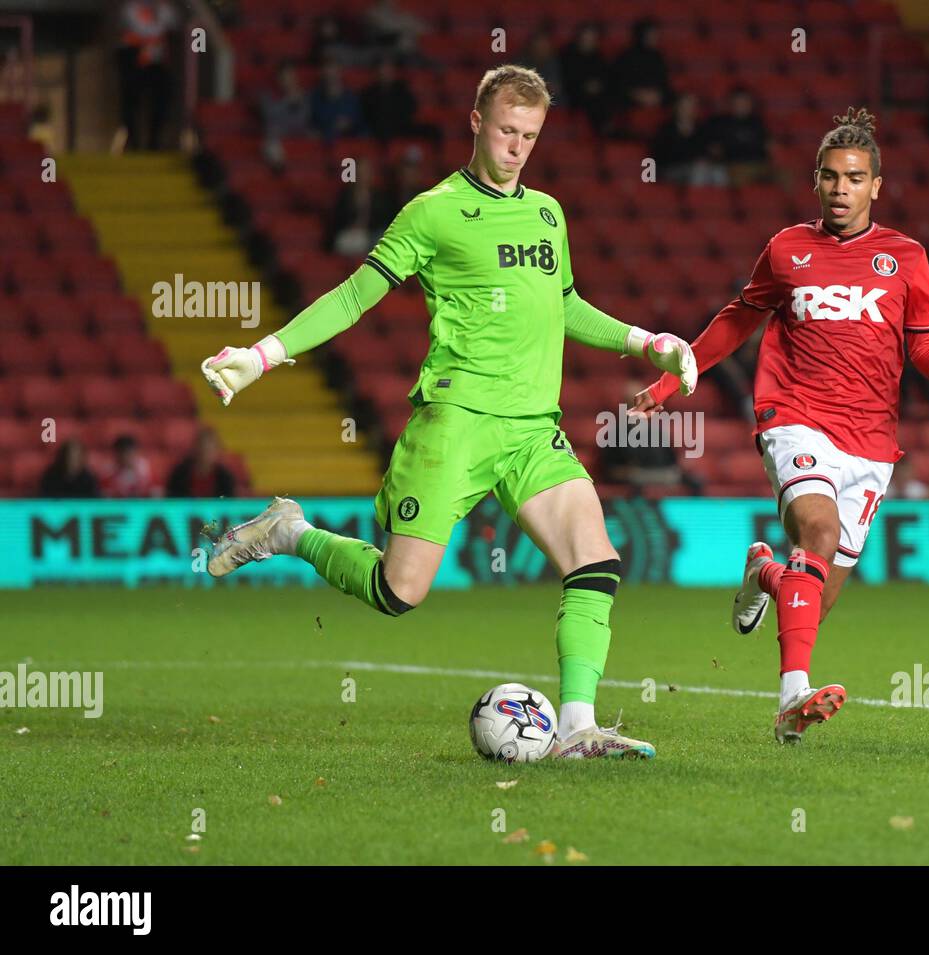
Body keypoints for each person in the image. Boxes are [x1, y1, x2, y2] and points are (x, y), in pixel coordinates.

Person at [198, 66, 699, 761]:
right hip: (456, 422)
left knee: (596, 561)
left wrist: (650, 341)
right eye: (505, 130)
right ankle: (291, 531)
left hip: (530, 428)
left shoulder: (548, 212)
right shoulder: (433, 210)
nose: (517, 146)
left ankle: (577, 727)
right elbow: (352, 296)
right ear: (476, 121)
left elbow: (563, 305)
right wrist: (264, 354)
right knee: (398, 590)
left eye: (529, 135)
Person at [634, 108, 929, 744]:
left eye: (854, 178)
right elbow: (738, 320)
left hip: (873, 441)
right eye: (830, 177)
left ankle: (763, 571)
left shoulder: (905, 257)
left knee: (812, 598)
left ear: (877, 185)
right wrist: (672, 379)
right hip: (794, 417)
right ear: (815, 183)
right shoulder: (787, 249)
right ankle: (792, 696)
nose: (841, 189)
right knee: (817, 531)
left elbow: (925, 343)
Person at [113, 0, 179, 152]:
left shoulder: (166, 9)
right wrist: (150, 41)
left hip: (158, 63)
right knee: (131, 102)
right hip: (132, 60)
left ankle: (154, 141)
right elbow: (130, 35)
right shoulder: (128, 8)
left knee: (162, 100)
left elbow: (173, 30)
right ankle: (133, 141)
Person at [652, 93, 726, 186]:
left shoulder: (701, 129)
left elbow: (708, 151)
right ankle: (695, 199)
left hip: (698, 167)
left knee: (718, 170)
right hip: (671, 170)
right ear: (676, 108)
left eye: (690, 107)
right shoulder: (667, 129)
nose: (687, 110)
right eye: (684, 106)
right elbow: (661, 156)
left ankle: (719, 199)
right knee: (699, 169)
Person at [329, 157, 398, 256]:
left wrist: (367, 228)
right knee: (343, 242)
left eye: (366, 172)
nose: (363, 175)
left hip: (371, 233)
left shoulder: (379, 196)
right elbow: (338, 219)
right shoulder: (346, 195)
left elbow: (383, 219)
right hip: (350, 233)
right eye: (360, 172)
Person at [704, 86, 772, 186]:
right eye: (739, 101)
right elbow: (715, 149)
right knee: (739, 177)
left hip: (759, 164)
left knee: (785, 175)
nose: (743, 104)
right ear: (731, 103)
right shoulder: (720, 123)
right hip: (735, 165)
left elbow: (767, 145)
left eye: (746, 101)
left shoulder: (757, 122)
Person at [560, 22, 611, 132]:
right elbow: (566, 78)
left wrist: (597, 86)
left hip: (596, 94)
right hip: (573, 92)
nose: (589, 40)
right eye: (587, 36)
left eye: (592, 37)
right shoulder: (568, 54)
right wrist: (584, 86)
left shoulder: (598, 56)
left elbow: (604, 77)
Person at [260, 62, 312, 167]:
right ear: (278, 79)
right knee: (271, 141)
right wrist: (288, 101)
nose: (288, 81)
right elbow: (270, 117)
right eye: (285, 77)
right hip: (275, 140)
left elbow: (302, 121)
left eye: (291, 77)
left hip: (298, 138)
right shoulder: (267, 96)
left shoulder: (304, 98)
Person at [166, 428, 236, 498]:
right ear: (195, 448)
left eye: (210, 449)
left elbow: (228, 503)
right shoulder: (180, 474)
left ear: (217, 451)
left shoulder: (224, 477)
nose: (206, 453)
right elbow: (172, 500)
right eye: (203, 448)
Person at [360, 56, 416, 143]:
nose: (387, 72)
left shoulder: (402, 90)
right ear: (378, 71)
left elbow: (409, 111)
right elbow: (367, 115)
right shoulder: (368, 93)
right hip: (377, 131)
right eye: (384, 68)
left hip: (400, 130)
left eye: (390, 68)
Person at [310, 60, 364, 143]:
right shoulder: (315, 98)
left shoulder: (351, 99)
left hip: (347, 147)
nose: (331, 77)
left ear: (340, 73)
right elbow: (313, 125)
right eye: (328, 73)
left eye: (334, 73)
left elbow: (357, 126)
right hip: (321, 147)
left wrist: (348, 124)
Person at [101, 433, 158, 497]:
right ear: (116, 455)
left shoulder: (147, 471)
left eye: (129, 454)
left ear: (136, 452)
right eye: (122, 454)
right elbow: (106, 499)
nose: (126, 458)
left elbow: (156, 495)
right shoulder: (107, 473)